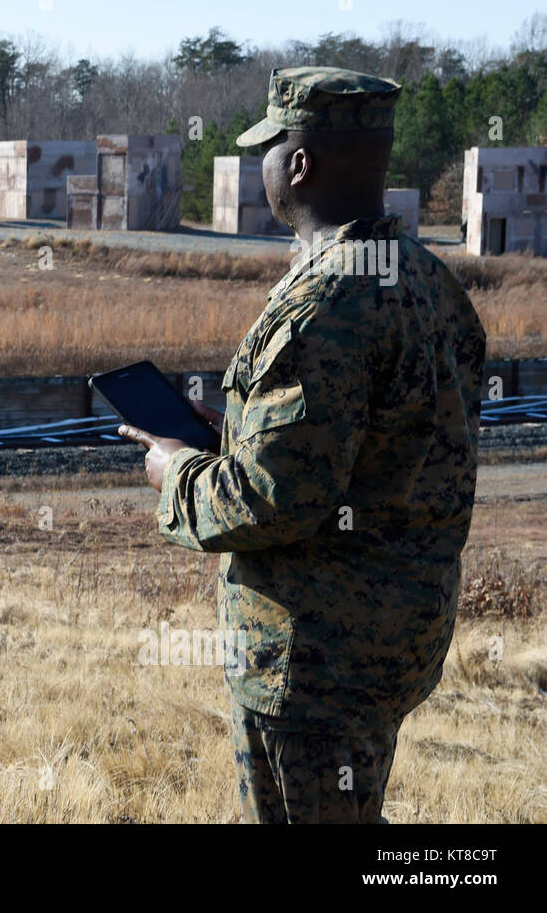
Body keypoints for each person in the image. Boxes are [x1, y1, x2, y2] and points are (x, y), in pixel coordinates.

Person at [119, 66, 486, 823]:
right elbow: (381, 446)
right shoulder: (425, 281)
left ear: (298, 164)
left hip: (313, 660)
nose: (259, 165)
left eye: (266, 147)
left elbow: (272, 499)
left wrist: (178, 473)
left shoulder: (326, 303)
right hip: (394, 638)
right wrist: (241, 431)